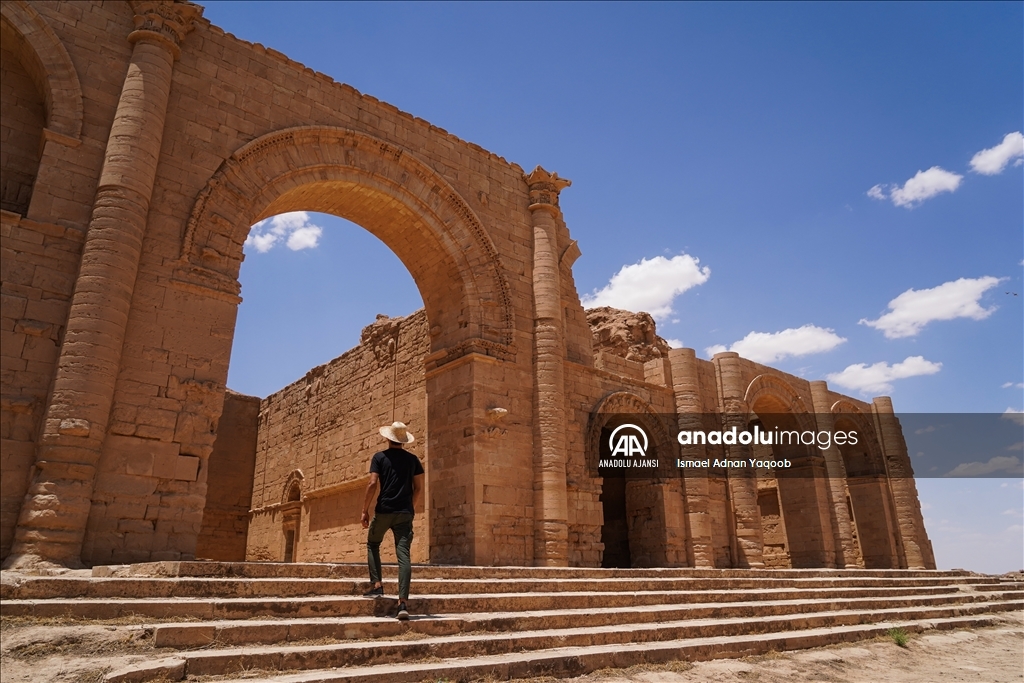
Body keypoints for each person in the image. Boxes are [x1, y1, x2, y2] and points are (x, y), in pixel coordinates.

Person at [360, 421, 424, 620]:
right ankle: (402, 603)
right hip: (405, 513)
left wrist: (364, 510)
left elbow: (372, 484)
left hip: (384, 510)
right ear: (404, 440)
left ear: (387, 438)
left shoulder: (379, 457)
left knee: (372, 543)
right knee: (403, 556)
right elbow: (419, 488)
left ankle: (377, 585)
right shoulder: (413, 460)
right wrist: (410, 509)